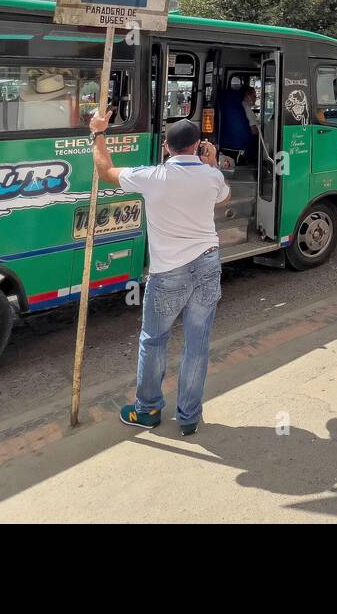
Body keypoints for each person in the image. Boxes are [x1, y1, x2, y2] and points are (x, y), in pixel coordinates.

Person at [90, 113, 230, 437]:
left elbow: (105, 171)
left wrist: (98, 133)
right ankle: (189, 417)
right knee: (198, 344)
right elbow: (224, 198)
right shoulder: (211, 177)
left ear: (166, 147)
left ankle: (148, 410)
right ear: (198, 145)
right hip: (208, 264)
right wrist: (210, 163)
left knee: (154, 341)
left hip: (168, 273)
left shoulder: (152, 177)